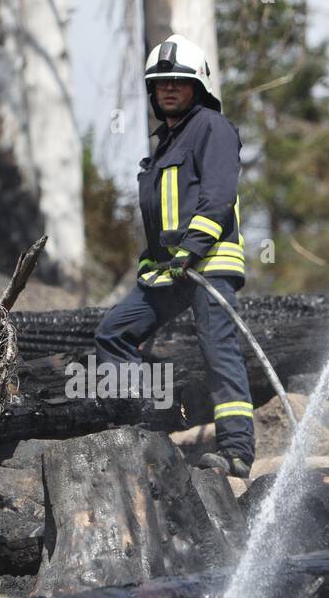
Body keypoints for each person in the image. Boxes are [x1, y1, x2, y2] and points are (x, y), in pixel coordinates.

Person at [94, 34, 254, 478]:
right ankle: (143, 428)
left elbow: (218, 198)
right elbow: (163, 218)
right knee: (115, 332)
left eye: (178, 82)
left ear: (197, 87)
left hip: (210, 263)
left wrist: (193, 249)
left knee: (217, 348)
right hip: (172, 268)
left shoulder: (212, 128)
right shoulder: (166, 141)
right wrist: (154, 259)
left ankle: (237, 452)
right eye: (161, 82)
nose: (168, 88)